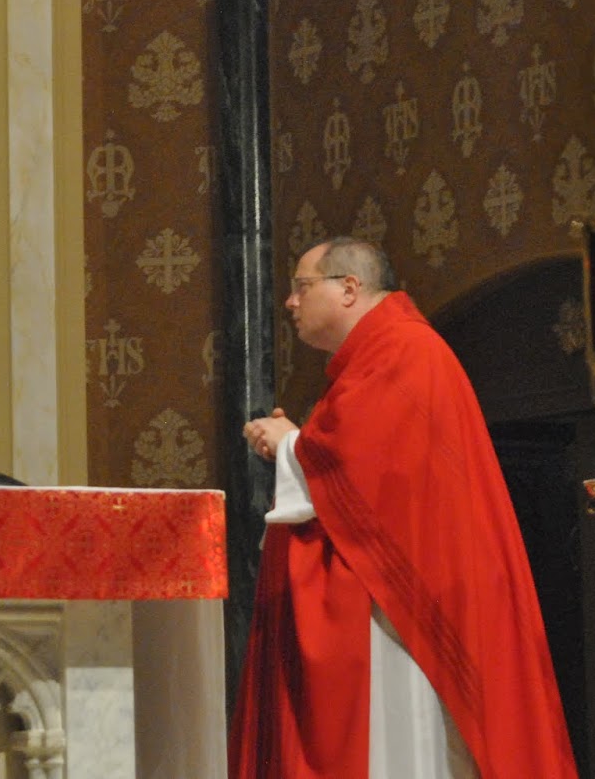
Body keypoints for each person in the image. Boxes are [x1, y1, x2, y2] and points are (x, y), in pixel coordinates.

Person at [231, 237, 576, 779]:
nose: (290, 304)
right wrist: (300, 444)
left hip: (408, 605)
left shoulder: (402, 350)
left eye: (301, 287)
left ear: (349, 288)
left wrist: (291, 443)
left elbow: (362, 469)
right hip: (402, 595)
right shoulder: (382, 353)